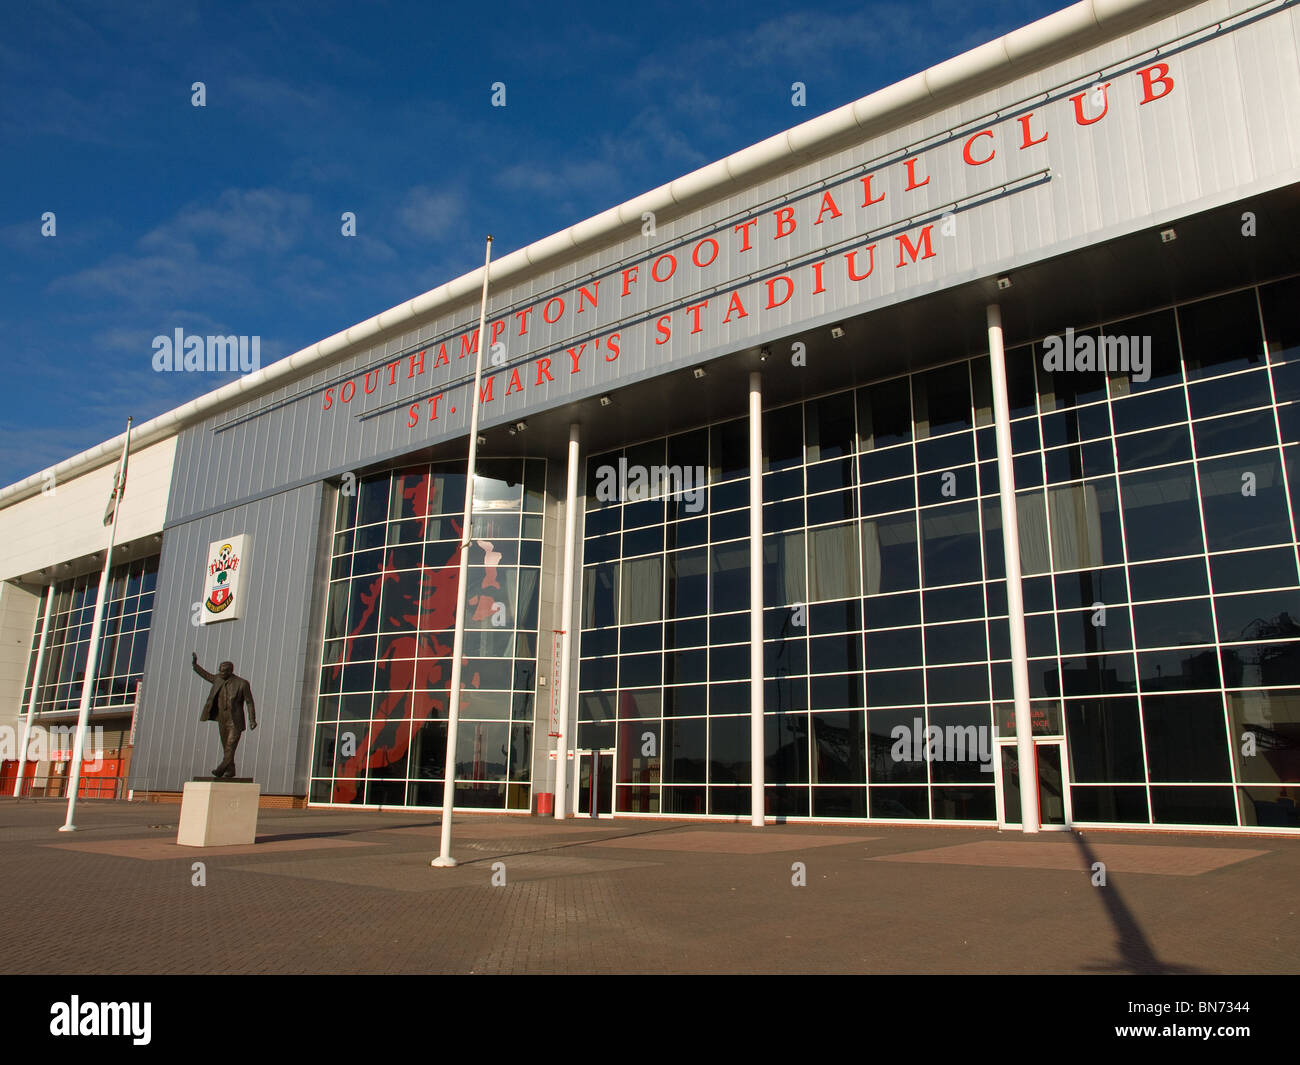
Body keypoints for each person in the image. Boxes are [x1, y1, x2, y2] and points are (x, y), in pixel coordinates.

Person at [192, 652, 258, 779]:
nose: (220, 673)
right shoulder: (218, 679)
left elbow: (249, 702)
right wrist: (195, 665)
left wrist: (252, 720)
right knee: (226, 747)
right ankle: (231, 771)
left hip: (235, 721)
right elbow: (206, 675)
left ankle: (220, 769)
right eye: (220, 671)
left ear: (230, 671)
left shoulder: (242, 683)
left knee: (230, 746)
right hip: (222, 718)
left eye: (223, 671)